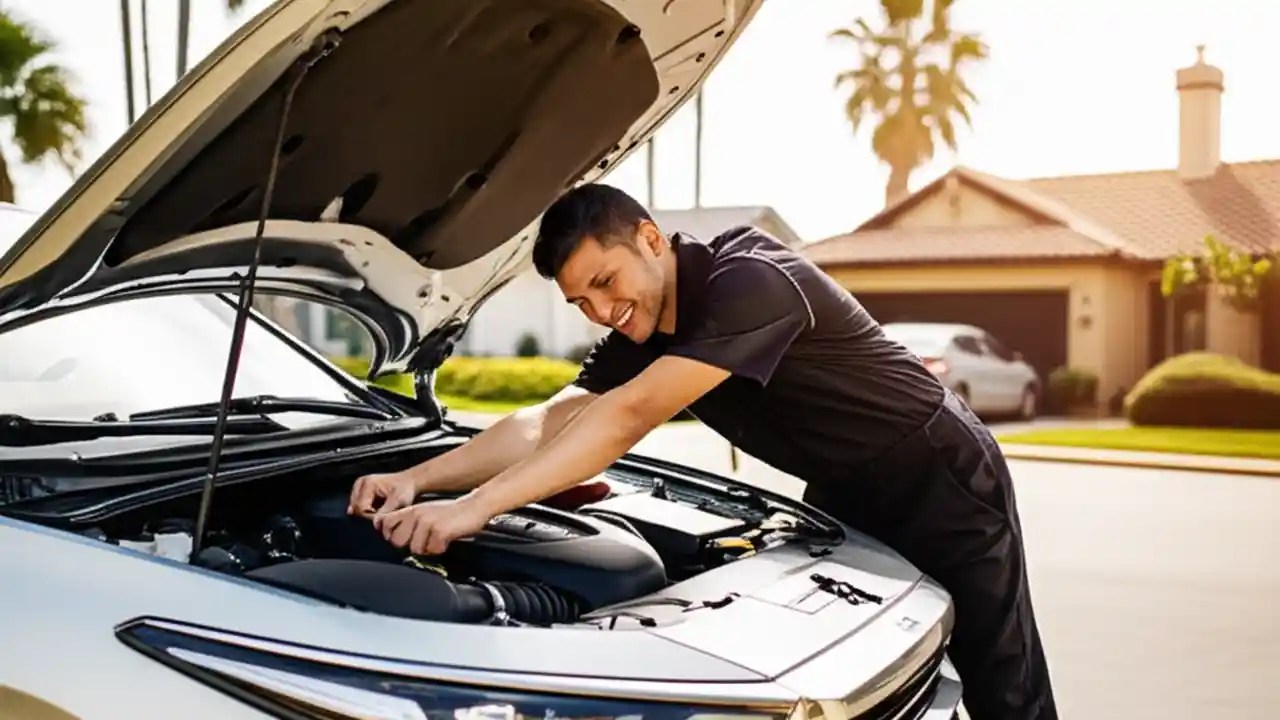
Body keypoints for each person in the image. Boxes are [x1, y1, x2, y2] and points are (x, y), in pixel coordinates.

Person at [347, 183, 1057, 720]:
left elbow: (626, 417)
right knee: (850, 677)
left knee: (1002, 678)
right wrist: (418, 478)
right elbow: (547, 422)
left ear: (651, 240)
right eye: (580, 303)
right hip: (843, 483)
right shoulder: (643, 326)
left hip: (937, 468)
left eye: (604, 283)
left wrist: (475, 510)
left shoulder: (749, 282)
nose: (600, 311)